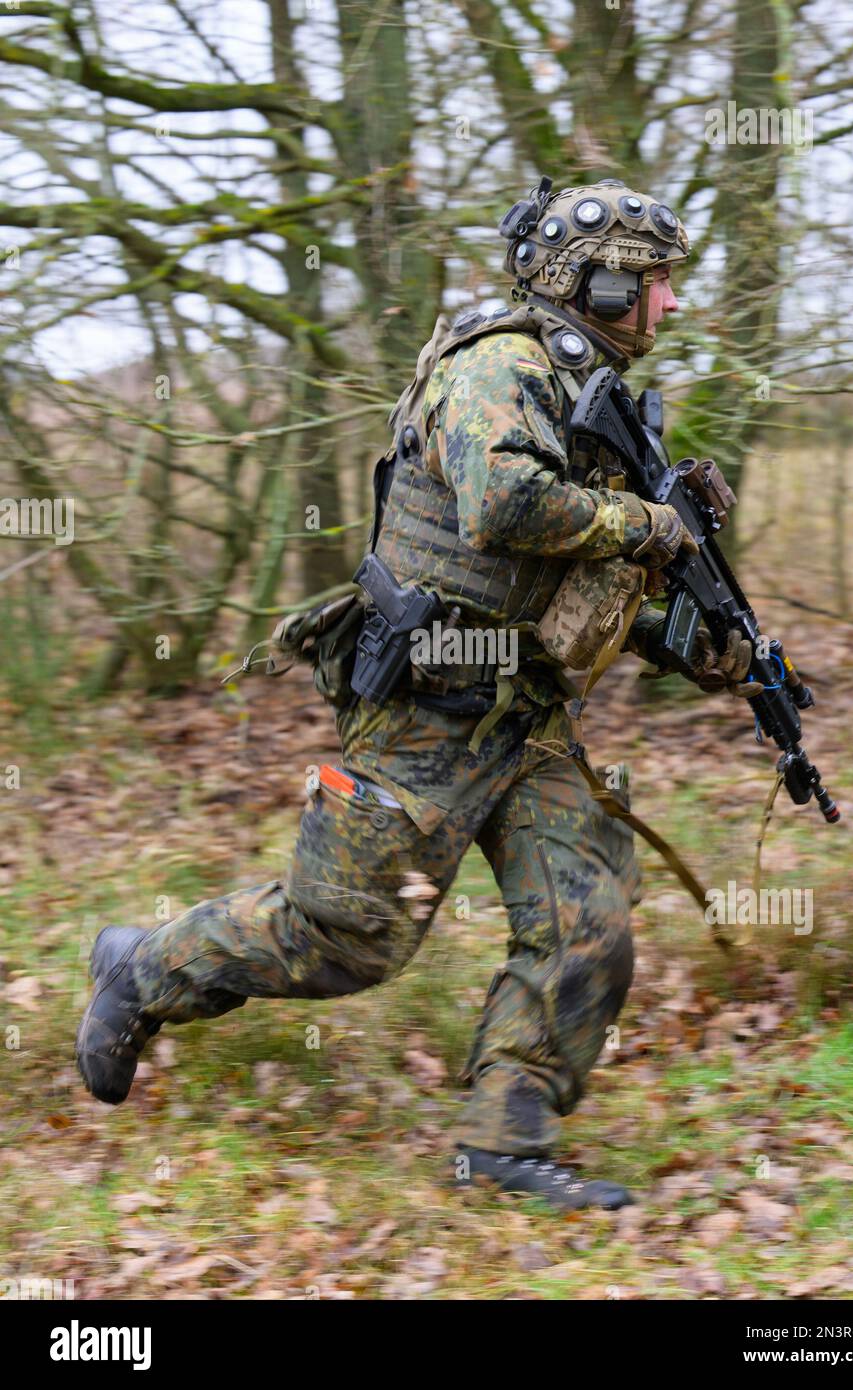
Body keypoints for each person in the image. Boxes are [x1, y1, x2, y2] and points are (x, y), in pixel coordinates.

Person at [76, 177, 749, 1211]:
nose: (669, 305)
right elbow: (504, 503)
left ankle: (504, 1141)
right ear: (597, 282)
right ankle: (142, 967)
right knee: (344, 937)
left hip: (523, 713)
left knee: (587, 918)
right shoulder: (497, 367)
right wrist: (646, 529)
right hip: (425, 705)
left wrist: (686, 639)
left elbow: (564, 582)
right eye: (655, 283)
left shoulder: (596, 402)